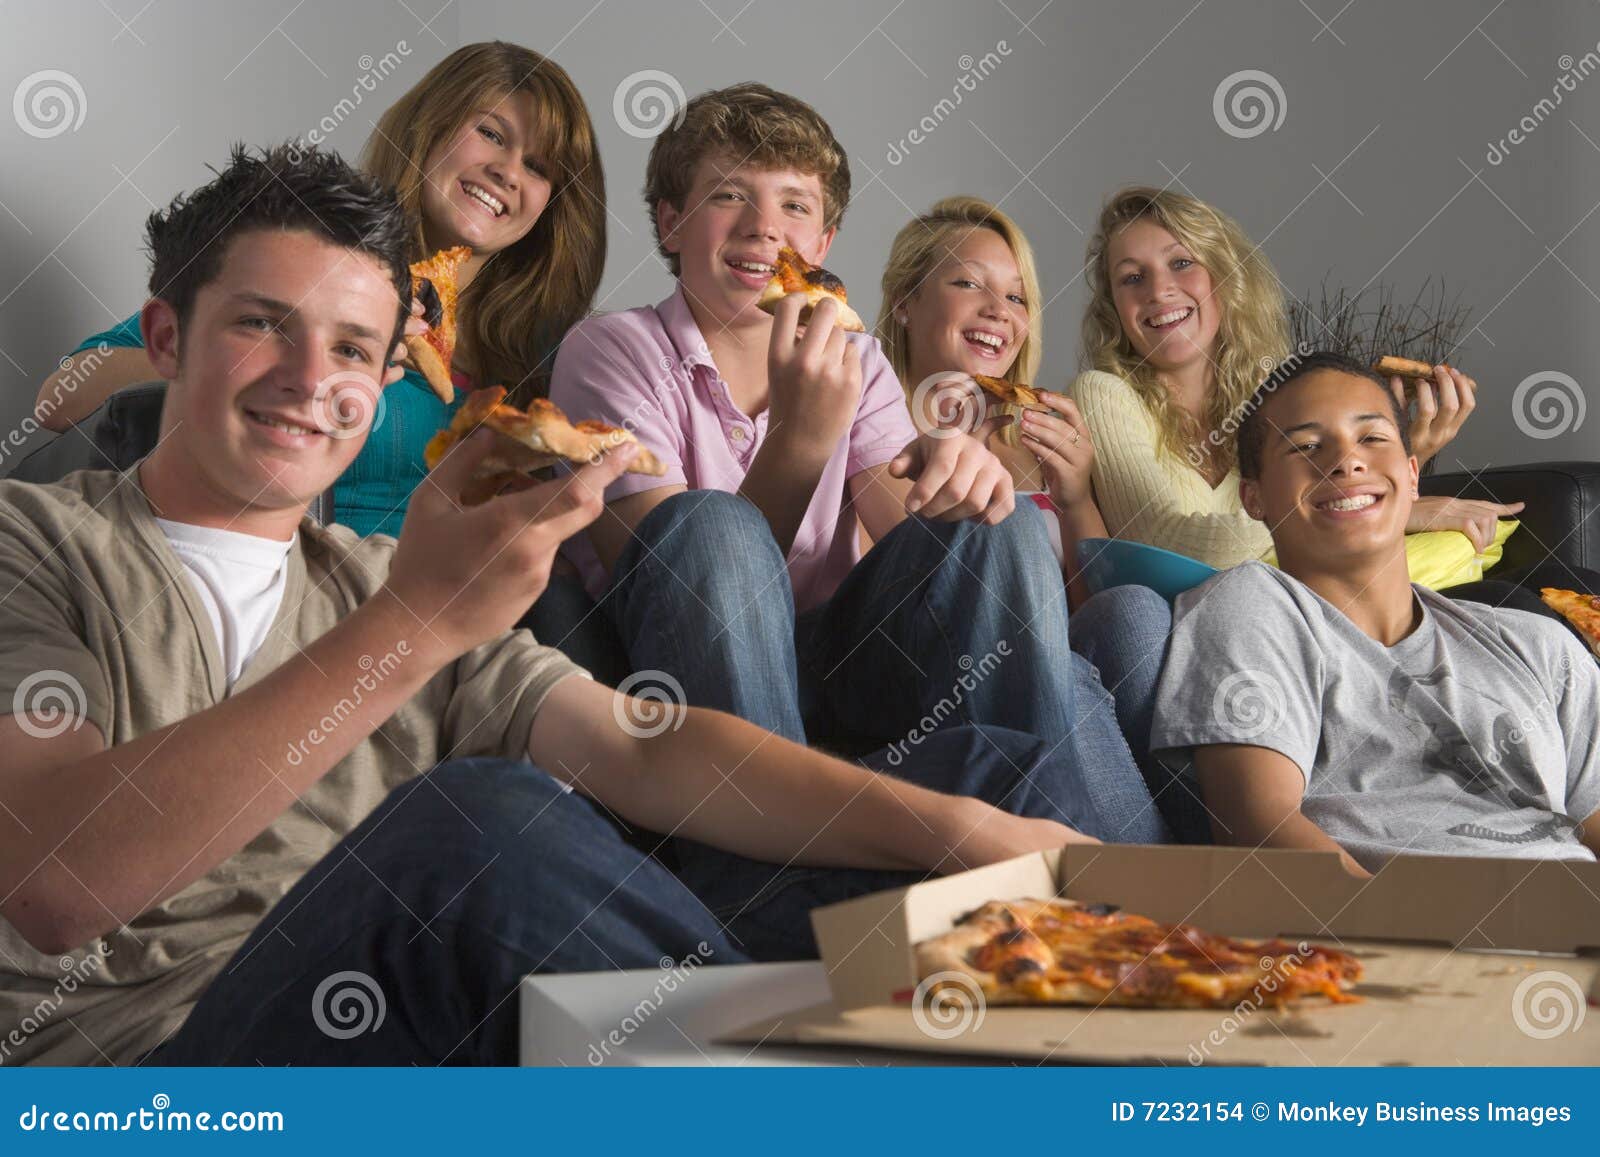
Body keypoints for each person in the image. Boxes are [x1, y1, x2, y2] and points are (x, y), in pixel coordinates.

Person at [0, 144, 1124, 1068]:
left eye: (352, 346)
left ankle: (1122, 1029)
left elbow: (651, 749)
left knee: (990, 776)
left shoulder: (366, 569)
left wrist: (971, 831)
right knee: (485, 823)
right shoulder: (33, 538)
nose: (310, 376)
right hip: (153, 1069)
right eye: (261, 323)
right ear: (163, 337)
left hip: (430, 1046)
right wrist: (419, 623)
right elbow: (53, 878)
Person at [548, 84, 1168, 898]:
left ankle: (1055, 862)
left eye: (794, 205)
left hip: (840, 663)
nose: (764, 226)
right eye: (729, 194)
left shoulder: (860, 356)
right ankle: (758, 882)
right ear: (670, 222)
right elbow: (666, 578)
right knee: (711, 525)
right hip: (684, 686)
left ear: (825, 237)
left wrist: (964, 477)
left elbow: (914, 538)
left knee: (1002, 526)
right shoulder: (611, 349)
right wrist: (801, 440)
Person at [33, 41, 606, 542]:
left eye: (537, 166)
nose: (508, 170)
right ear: (429, 127)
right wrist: (299, 359)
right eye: (490, 134)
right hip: (311, 583)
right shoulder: (309, 263)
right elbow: (61, 398)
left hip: (467, 606)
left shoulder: (552, 353)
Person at [1148, 352, 1600, 874]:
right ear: (1254, 498)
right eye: (1307, 446)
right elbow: (1261, 830)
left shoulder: (1539, 642)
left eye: (1372, 438)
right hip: (1416, 937)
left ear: (1412, 477)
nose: (1346, 462)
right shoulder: (1253, 607)